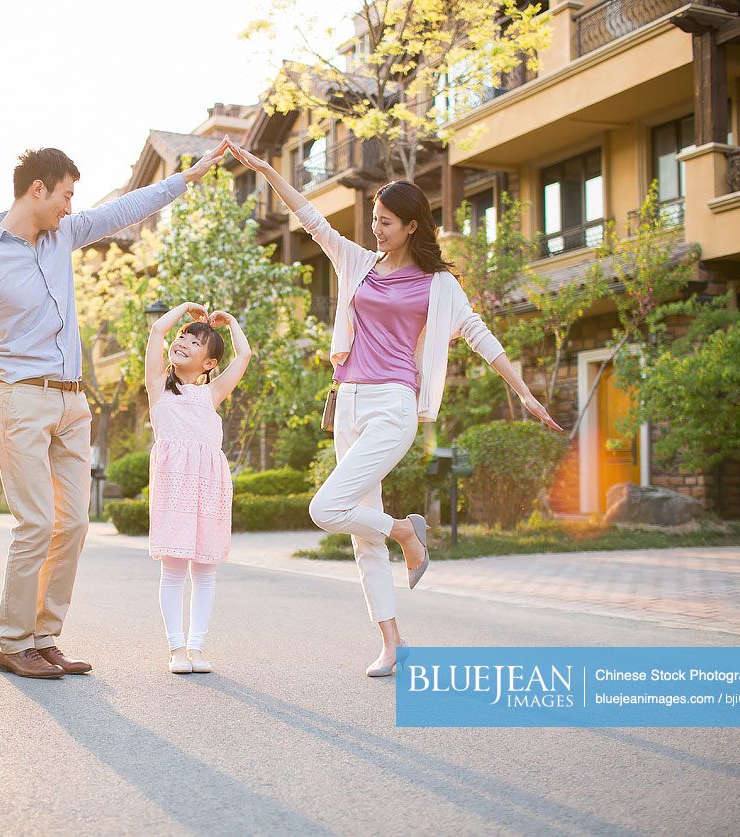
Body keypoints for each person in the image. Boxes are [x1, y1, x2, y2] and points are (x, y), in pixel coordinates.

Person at [227, 142, 561, 677]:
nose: (376, 229)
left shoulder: (439, 285)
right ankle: (393, 643)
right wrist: (267, 170)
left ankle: (406, 531)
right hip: (349, 400)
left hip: (393, 405)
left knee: (325, 508)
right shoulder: (358, 263)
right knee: (363, 535)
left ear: (411, 226)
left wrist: (523, 392)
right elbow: (310, 218)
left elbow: (478, 334)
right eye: (374, 219)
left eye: (385, 222)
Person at [0, 142, 229, 680]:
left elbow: (124, 209)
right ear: (37, 190)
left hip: (72, 401)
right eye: (66, 195)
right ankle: (14, 642)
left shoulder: (63, 236)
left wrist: (186, 178)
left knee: (74, 524)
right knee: (36, 522)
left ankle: (44, 637)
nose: (70, 207)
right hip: (21, 399)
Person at [144, 303, 251, 674]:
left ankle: (197, 648)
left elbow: (245, 355)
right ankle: (176, 650)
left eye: (194, 342)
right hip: (174, 488)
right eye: (183, 337)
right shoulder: (158, 386)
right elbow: (157, 330)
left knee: (205, 571)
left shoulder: (212, 393)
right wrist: (184, 310)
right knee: (173, 570)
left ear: (209, 363)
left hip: (209, 487)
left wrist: (231, 322)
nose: (183, 342)